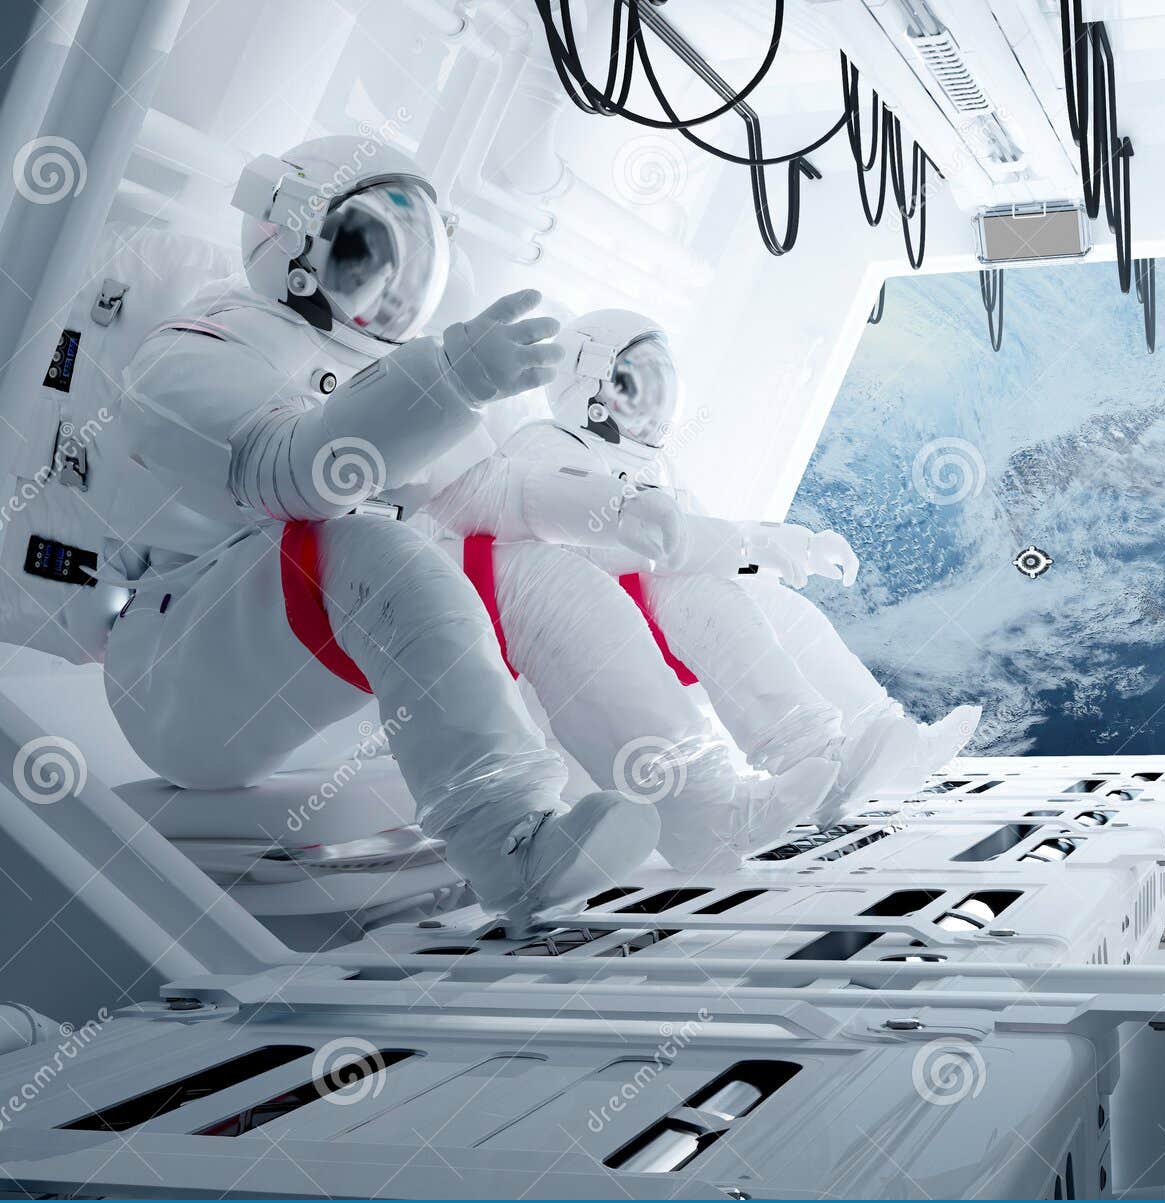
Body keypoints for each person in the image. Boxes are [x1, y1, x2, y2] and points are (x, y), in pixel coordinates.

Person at [106, 136, 658, 927]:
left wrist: (618, 509)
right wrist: (448, 380)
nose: (388, 283)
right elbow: (290, 469)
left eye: (409, 259)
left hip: (280, 684)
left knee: (519, 569)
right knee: (375, 548)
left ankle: (657, 791)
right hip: (171, 677)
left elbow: (484, 489)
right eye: (364, 251)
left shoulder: (387, 367)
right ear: (292, 245)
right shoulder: (196, 351)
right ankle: (510, 848)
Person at [454, 308, 980, 831]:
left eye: (659, 382)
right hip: (577, 645)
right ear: (590, 393)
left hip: (641, 620)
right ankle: (813, 759)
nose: (655, 402)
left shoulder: (651, 465)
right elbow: (639, 548)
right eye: (636, 385)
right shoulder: (547, 445)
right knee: (698, 589)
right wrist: (776, 549)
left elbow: (700, 532)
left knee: (778, 608)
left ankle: (891, 743)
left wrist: (794, 545)